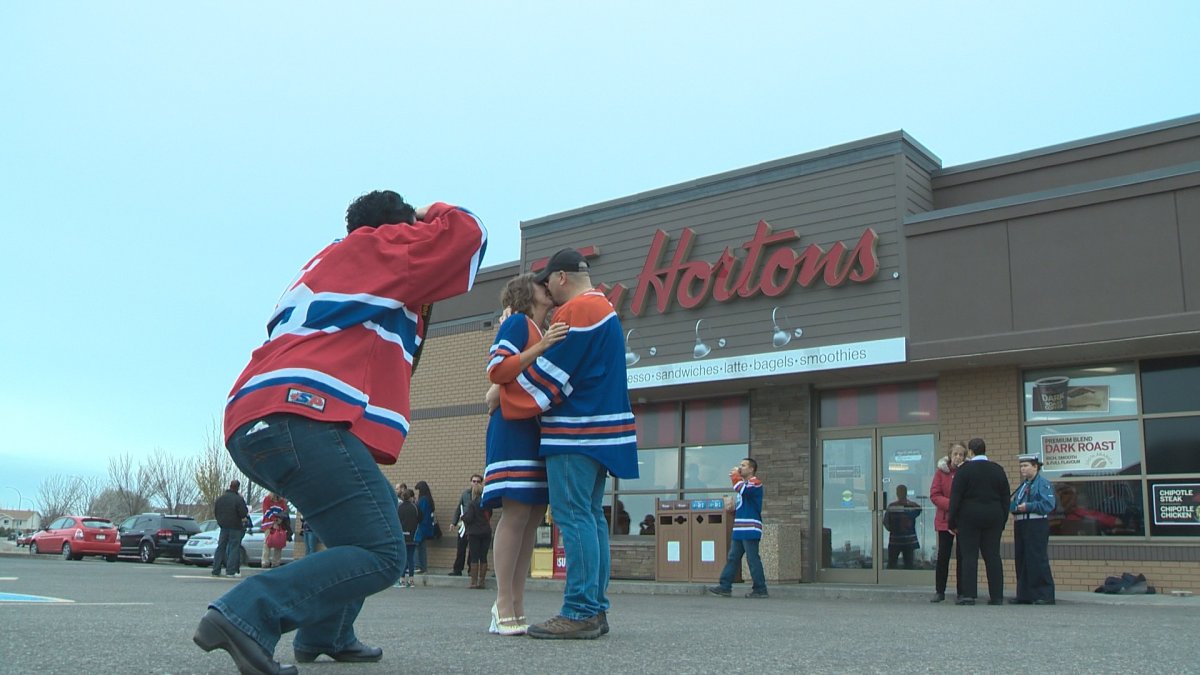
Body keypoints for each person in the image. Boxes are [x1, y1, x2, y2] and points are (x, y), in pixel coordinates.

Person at [194, 190, 487, 675]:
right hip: (301, 414)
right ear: (398, 227)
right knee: (384, 549)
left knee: (351, 531)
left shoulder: (334, 260)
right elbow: (468, 237)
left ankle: (326, 632)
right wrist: (427, 212)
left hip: (257, 416)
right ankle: (246, 614)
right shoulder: (384, 246)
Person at [502, 248, 639, 639]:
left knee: (575, 517)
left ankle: (579, 610)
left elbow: (547, 378)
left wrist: (502, 391)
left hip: (576, 431)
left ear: (561, 278)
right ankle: (594, 608)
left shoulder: (576, 312)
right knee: (591, 517)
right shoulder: (605, 309)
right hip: (603, 431)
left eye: (548, 283)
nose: (548, 293)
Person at [482, 273, 565, 635]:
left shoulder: (540, 328)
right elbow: (497, 370)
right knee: (515, 513)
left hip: (534, 429)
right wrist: (541, 347)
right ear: (524, 293)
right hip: (512, 428)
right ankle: (502, 602)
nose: (546, 288)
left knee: (531, 518)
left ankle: (517, 602)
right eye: (539, 283)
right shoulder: (518, 323)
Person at [948, 437, 1010, 606]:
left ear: (971, 452)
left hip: (969, 518)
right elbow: (1005, 497)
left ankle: (969, 595)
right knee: (993, 556)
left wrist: (951, 521)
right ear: (985, 450)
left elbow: (956, 498)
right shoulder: (998, 469)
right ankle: (997, 596)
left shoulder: (964, 471)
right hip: (994, 516)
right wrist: (1003, 517)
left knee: (969, 556)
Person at [707, 458, 768, 599]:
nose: (740, 467)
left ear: (751, 469)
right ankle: (725, 586)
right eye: (740, 465)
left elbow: (743, 490)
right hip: (739, 528)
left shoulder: (755, 483)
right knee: (733, 557)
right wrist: (732, 509)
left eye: (743, 465)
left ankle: (760, 588)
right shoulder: (743, 486)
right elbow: (744, 503)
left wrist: (735, 476)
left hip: (750, 528)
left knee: (752, 559)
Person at [1009, 454, 1057, 605]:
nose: (1023, 469)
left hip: (1036, 524)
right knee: (1022, 559)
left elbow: (1048, 504)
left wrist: (1029, 506)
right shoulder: (1023, 485)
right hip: (1021, 524)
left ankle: (1044, 594)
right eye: (1021, 466)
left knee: (1037, 558)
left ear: (1035, 467)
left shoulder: (1043, 483)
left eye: (1026, 465)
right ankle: (1025, 594)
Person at [928, 442, 966, 602]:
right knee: (943, 556)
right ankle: (940, 591)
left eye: (961, 454)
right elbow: (935, 494)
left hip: (964, 520)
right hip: (945, 520)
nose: (958, 457)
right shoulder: (941, 472)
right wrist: (952, 505)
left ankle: (962, 591)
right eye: (955, 454)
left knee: (963, 556)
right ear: (950, 455)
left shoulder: (967, 472)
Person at [212, 480, 249, 578]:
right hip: (235, 527)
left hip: (223, 527)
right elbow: (243, 513)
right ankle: (230, 571)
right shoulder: (238, 499)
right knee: (234, 548)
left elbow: (216, 512)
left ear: (230, 486)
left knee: (221, 547)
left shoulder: (220, 499)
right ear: (238, 487)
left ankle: (216, 570)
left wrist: (220, 522)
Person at [449, 474, 483, 577]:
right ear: (470, 482)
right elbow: (459, 508)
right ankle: (457, 569)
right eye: (473, 481)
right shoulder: (465, 494)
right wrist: (453, 522)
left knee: (473, 549)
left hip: (475, 525)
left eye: (478, 481)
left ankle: (471, 570)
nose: (475, 483)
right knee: (461, 548)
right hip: (464, 525)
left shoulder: (482, 495)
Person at [461, 480, 492, 589]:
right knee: (483, 557)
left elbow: (469, 518)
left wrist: (462, 517)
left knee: (474, 557)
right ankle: (482, 581)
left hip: (474, 533)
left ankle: (473, 582)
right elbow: (490, 516)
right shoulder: (487, 503)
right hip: (486, 532)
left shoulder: (472, 504)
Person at [883, 484, 922, 570]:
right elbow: (919, 510)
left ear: (897, 493)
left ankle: (890, 579)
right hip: (908, 540)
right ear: (906, 493)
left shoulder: (892, 506)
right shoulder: (912, 506)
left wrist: (892, 529)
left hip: (895, 539)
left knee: (892, 563)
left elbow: (886, 522)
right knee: (908, 564)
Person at [260, 492, 289, 568]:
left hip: (279, 524)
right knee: (267, 543)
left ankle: (276, 562)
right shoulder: (267, 499)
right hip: (268, 524)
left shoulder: (282, 501)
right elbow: (266, 511)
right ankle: (265, 562)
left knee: (279, 544)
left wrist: (279, 520)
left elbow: (285, 512)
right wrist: (274, 520)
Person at [396, 489, 419, 588]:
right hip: (413, 535)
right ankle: (411, 580)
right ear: (411, 497)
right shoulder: (415, 508)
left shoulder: (399, 508)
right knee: (410, 558)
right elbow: (419, 519)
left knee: (403, 557)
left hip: (402, 536)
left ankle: (402, 580)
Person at [413, 481, 437, 574]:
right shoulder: (429, 499)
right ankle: (424, 567)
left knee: (416, 545)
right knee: (422, 547)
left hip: (421, 525)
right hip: (427, 526)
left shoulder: (423, 500)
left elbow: (420, 513)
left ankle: (417, 566)